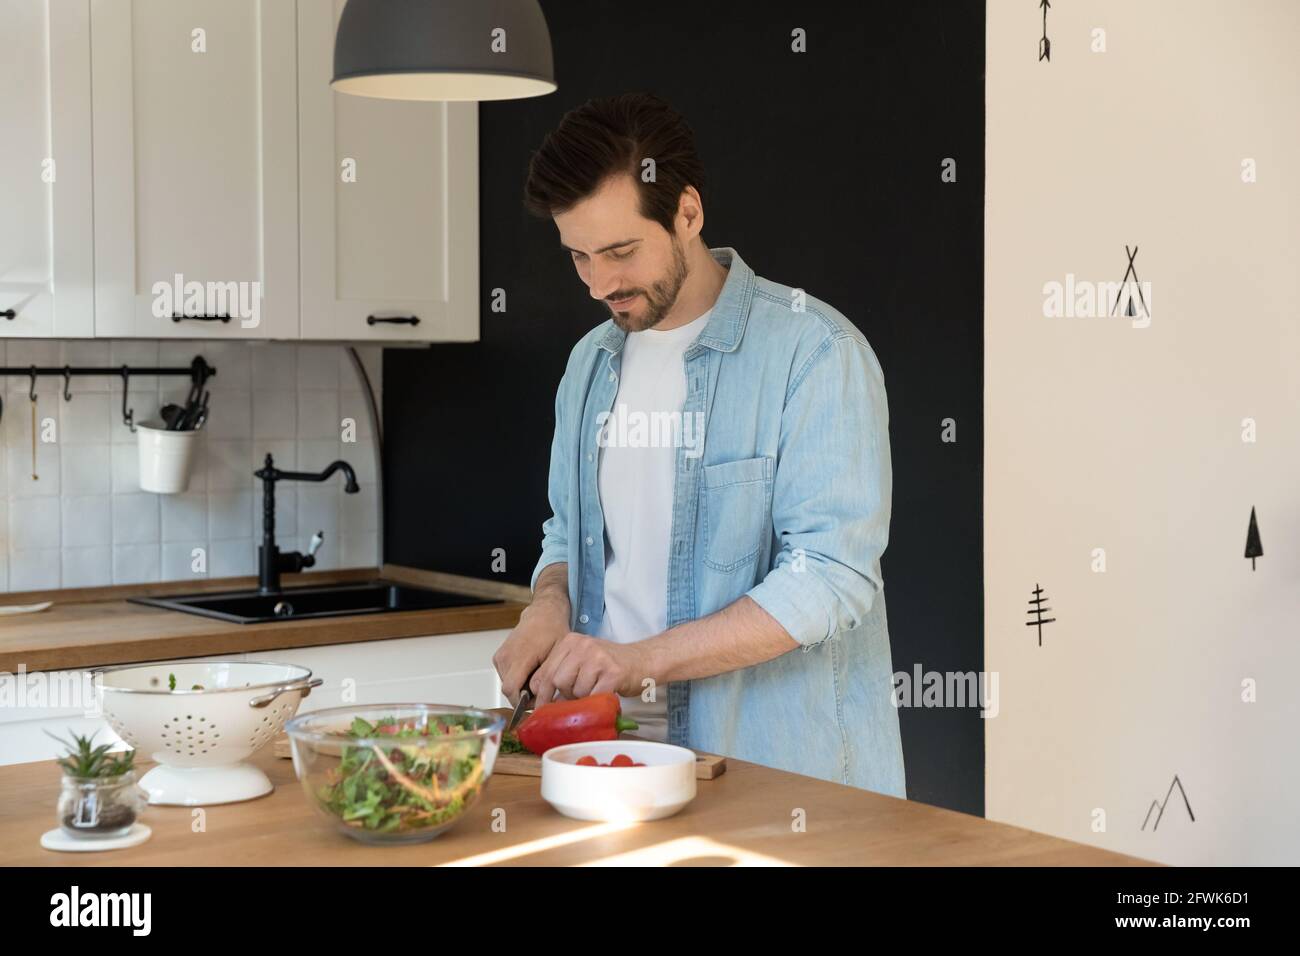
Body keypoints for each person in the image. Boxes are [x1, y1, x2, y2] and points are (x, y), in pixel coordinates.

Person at [492, 92, 905, 796]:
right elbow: (565, 536)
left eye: (621, 251)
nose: (600, 283)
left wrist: (637, 661)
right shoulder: (590, 365)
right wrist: (548, 607)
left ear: (687, 213)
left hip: (777, 776)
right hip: (617, 761)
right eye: (579, 257)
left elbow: (830, 576)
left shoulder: (814, 352)